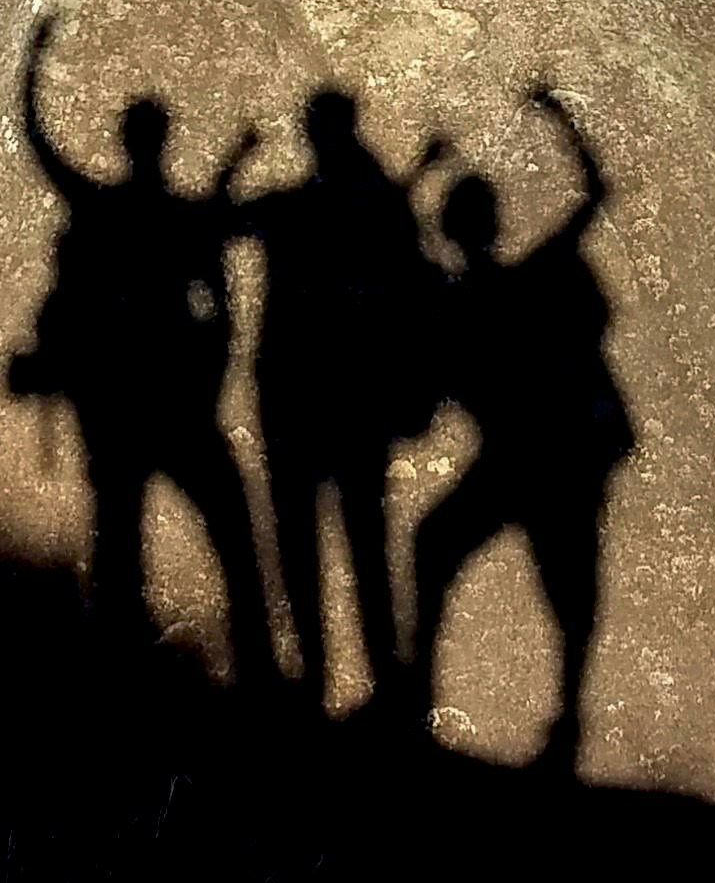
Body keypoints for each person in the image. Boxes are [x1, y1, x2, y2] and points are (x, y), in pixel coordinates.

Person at [3, 15, 271, 679]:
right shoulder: (175, 214)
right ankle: (255, 659)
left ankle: (115, 656)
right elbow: (219, 231)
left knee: (122, 530)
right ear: (162, 142)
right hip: (175, 397)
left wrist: (32, 65)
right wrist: (238, 165)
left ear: (127, 144)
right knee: (225, 526)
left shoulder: (99, 205)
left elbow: (40, 142)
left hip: (120, 399)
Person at [408, 85, 629, 775]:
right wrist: (561, 119)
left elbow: (596, 196)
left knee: (441, 545)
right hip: (547, 453)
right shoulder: (532, 274)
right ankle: (563, 720)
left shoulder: (462, 299)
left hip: (529, 457)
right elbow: (596, 192)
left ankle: (425, 694)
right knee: (557, 582)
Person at [237, 87, 449, 711]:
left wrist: (235, 163)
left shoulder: (293, 206)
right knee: (363, 541)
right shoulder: (373, 202)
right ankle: (381, 679)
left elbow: (223, 220)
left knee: (306, 540)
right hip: (349, 399)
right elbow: (410, 270)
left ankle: (316, 680)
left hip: (301, 397)